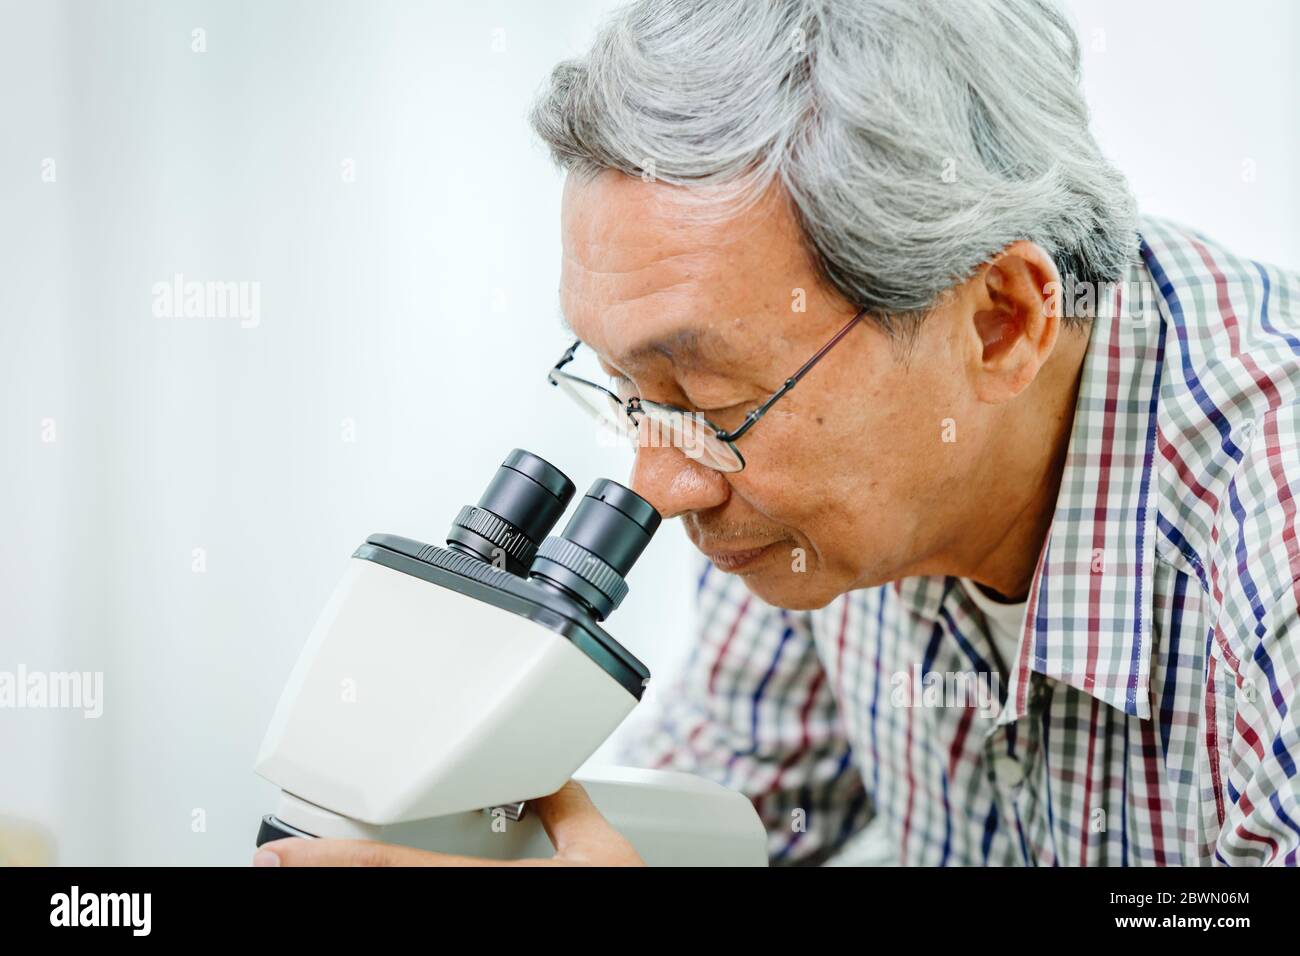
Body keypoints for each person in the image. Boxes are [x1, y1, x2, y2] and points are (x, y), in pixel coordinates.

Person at [256, 0, 1300, 867]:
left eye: (708, 400)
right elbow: (730, 812)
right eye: (630, 390)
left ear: (1001, 321)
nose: (660, 480)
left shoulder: (1273, 524)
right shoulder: (798, 506)